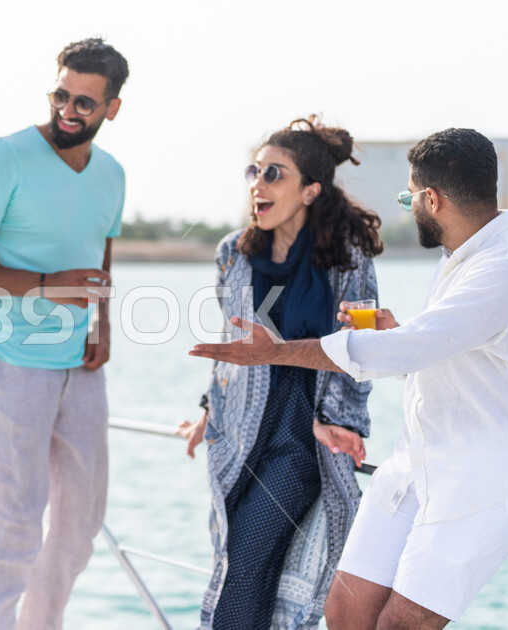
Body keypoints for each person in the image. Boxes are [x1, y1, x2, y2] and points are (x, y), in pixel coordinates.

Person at [190, 127, 508, 629]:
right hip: (417, 462)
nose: (407, 207)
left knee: (402, 623)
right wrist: (404, 334)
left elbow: (409, 350)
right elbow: (439, 345)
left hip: (491, 474)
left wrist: (279, 352)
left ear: (431, 199)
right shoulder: (458, 263)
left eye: (408, 197)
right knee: (345, 609)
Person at [0, 38, 128, 630]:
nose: (69, 110)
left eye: (86, 103)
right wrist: (47, 286)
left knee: (79, 522)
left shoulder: (112, 175)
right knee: (8, 522)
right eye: (61, 95)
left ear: (112, 109)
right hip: (8, 357)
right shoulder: (1, 159)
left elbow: (101, 255)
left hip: (78, 365)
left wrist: (101, 324)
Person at [176, 116, 383, 629]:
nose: (257, 184)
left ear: (311, 190)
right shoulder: (235, 255)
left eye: (274, 174)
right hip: (242, 434)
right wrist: (208, 411)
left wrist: (341, 420)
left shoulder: (346, 259)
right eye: (254, 171)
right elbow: (234, 348)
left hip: (302, 439)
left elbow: (362, 345)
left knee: (245, 565)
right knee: (243, 567)